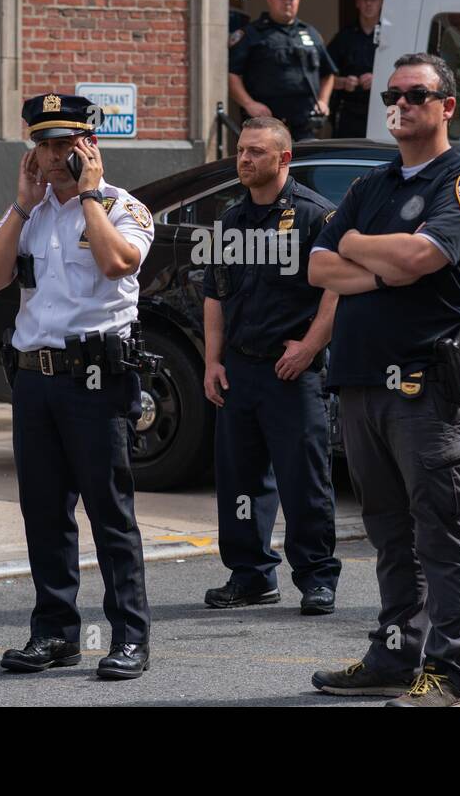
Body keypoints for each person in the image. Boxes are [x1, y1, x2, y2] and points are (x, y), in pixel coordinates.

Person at [308, 52, 460, 707]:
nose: (402, 103)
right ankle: (394, 657)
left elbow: (426, 254)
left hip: (428, 389)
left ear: (447, 105)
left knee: (442, 533)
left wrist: (358, 246)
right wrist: (383, 262)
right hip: (360, 387)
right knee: (389, 534)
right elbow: (317, 268)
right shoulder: (372, 184)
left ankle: (448, 676)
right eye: (393, 93)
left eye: (417, 94)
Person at [0, 93, 156, 680]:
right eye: (44, 143)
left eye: (65, 143)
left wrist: (90, 198)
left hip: (96, 379)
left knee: (109, 511)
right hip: (34, 380)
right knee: (44, 513)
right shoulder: (29, 214)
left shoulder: (123, 208)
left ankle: (130, 636)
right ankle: (53, 632)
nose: (53, 156)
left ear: (89, 145)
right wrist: (23, 209)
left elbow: (118, 264)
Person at [201, 117, 342, 615]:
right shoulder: (229, 221)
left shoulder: (316, 217)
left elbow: (336, 289)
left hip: (294, 372)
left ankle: (317, 576)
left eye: (256, 152)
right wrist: (212, 361)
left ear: (284, 159)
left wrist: (308, 347)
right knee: (240, 481)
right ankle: (251, 574)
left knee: (303, 479)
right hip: (240, 369)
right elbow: (215, 295)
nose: (244, 160)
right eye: (241, 151)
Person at [229, 0, 337, 141]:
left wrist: (323, 101)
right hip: (266, 123)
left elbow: (328, 73)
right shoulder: (251, 33)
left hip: (304, 125)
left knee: (307, 166)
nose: (287, 2)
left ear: (299, 0)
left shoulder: (311, 33)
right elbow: (232, 74)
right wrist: (249, 104)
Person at [326, 0, 384, 139]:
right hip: (349, 110)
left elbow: (405, 73)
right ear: (357, 2)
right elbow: (324, 76)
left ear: (381, 2)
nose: (369, 4)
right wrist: (343, 82)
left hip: (383, 108)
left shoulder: (391, 35)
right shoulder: (344, 37)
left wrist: (379, 79)